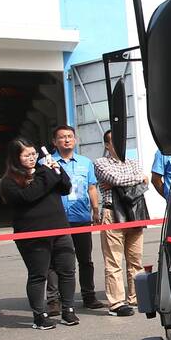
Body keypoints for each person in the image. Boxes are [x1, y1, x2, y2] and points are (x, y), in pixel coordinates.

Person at [0, 138, 79, 330]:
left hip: (60, 228)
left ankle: (68, 309)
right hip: (32, 235)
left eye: (34, 154)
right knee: (38, 274)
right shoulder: (9, 182)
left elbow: (65, 187)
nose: (32, 158)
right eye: (26, 155)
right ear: (16, 158)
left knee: (67, 270)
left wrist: (56, 170)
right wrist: (46, 171)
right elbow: (30, 195)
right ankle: (39, 315)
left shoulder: (46, 173)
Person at [46, 126, 105, 313]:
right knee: (55, 262)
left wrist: (96, 210)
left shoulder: (85, 163)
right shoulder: (45, 163)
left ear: (75, 140)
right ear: (54, 142)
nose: (66, 140)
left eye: (70, 136)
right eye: (62, 137)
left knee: (85, 259)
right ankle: (55, 300)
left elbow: (91, 188)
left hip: (80, 217)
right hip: (56, 219)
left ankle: (89, 295)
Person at [94, 129, 148, 317]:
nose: (119, 145)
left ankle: (136, 296)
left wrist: (129, 181)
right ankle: (116, 303)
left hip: (135, 212)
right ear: (107, 145)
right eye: (114, 142)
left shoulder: (133, 162)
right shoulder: (100, 163)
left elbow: (144, 181)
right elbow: (116, 178)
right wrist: (135, 180)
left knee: (136, 259)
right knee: (114, 260)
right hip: (112, 213)